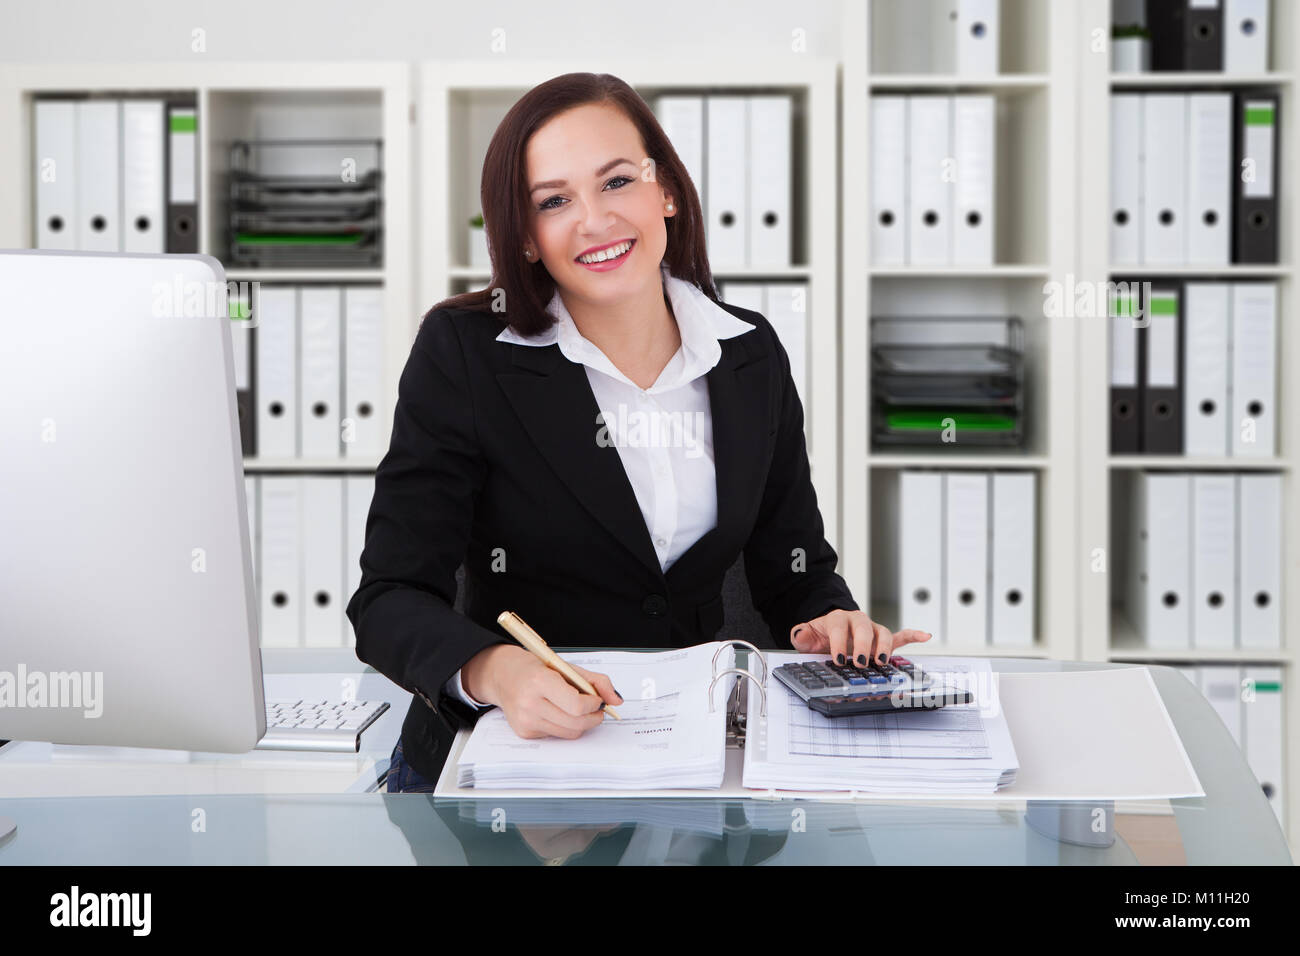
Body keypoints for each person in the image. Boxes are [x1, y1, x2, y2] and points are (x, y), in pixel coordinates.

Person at [345, 72, 931, 794]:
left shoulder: (748, 352)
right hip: (507, 762)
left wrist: (831, 620)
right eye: (553, 201)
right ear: (526, 238)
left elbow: (795, 571)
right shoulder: (465, 354)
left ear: (667, 192)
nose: (593, 220)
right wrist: (494, 670)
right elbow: (388, 599)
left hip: (691, 755)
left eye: (617, 181)